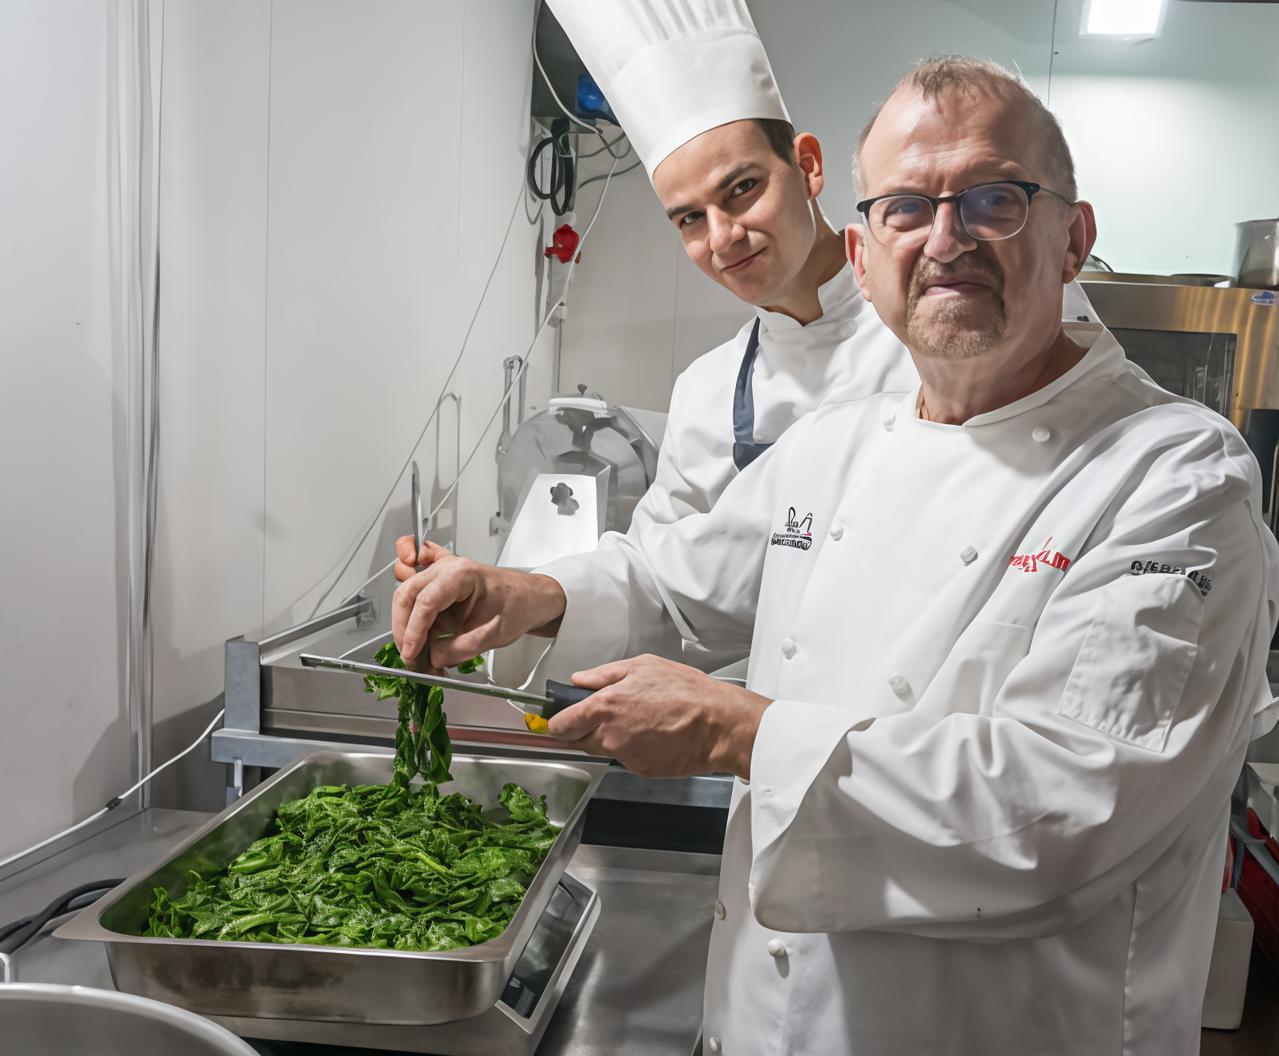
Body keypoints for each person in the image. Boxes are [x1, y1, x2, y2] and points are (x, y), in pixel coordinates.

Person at [393, 56, 1279, 1054]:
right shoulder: (838, 439)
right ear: (864, 254)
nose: (947, 240)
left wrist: (740, 735)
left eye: (992, 198)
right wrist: (523, 590)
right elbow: (678, 579)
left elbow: (1062, 811)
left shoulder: (1176, 481)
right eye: (906, 208)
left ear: (1072, 237)